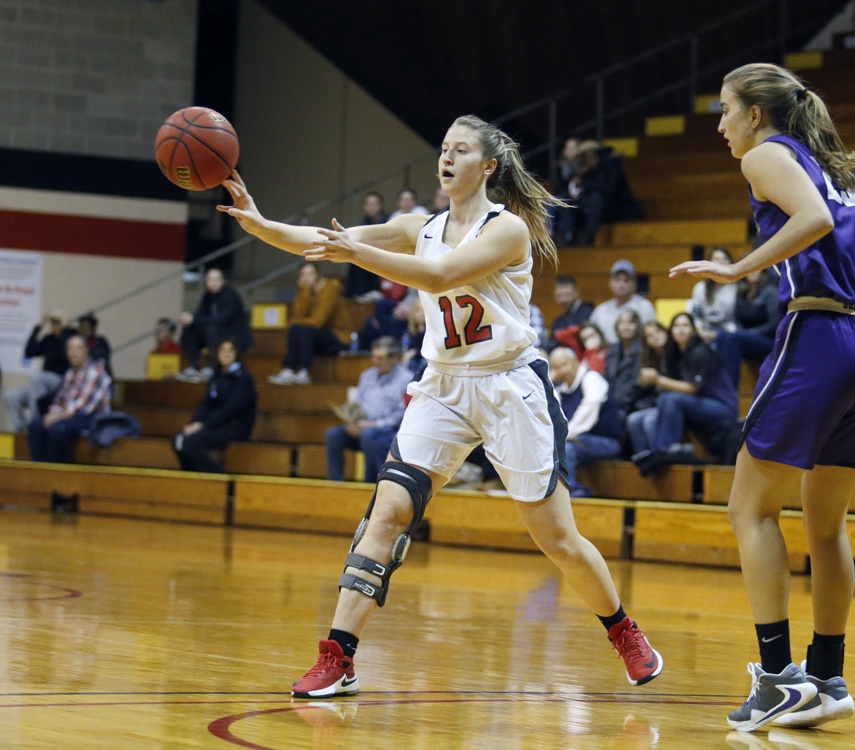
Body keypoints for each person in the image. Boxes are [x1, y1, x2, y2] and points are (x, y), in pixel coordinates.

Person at [218, 113, 662, 698]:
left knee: (556, 540)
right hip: (445, 385)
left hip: (510, 387)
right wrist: (260, 223)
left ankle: (624, 630)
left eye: (460, 150)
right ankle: (338, 655)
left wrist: (355, 253)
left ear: (488, 165)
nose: (445, 159)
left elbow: (437, 274)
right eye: (443, 149)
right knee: (386, 513)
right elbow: (322, 242)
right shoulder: (417, 225)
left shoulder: (509, 230)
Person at [670, 63, 855, 732]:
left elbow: (814, 220)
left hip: (821, 335)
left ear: (757, 115)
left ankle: (776, 681)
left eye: (725, 110)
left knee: (748, 508)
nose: (720, 125)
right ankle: (826, 675)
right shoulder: (834, 164)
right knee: (825, 525)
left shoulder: (767, 156)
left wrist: (738, 268)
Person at [628, 314, 738, 475]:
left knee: (672, 399)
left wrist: (658, 380)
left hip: (722, 408)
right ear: (671, 331)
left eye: (685, 326)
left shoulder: (700, 351)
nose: (681, 330)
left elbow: (692, 388)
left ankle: (665, 451)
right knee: (643, 414)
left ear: (693, 330)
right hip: (698, 405)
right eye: (677, 326)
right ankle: (651, 455)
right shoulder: (678, 353)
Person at [324, 336, 411, 483]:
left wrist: (373, 425)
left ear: (394, 358)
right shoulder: (367, 375)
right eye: (374, 357)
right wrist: (353, 422)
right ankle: (335, 483)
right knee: (333, 434)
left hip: (390, 431)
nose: (375, 362)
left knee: (369, 436)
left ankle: (369, 484)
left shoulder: (406, 379)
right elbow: (358, 404)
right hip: (363, 426)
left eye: (380, 358)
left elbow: (402, 415)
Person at [173, 338, 257, 473]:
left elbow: (230, 409)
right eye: (223, 350)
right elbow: (206, 403)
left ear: (237, 354)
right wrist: (194, 423)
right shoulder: (216, 376)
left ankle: (219, 479)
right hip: (215, 426)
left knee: (191, 443)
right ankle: (193, 477)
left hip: (234, 427)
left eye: (230, 350)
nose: (226, 354)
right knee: (179, 440)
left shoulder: (243, 379)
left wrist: (203, 425)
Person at [548, 347, 622, 498]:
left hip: (605, 440)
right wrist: (548, 382)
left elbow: (589, 410)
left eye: (564, 364)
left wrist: (565, 435)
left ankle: (571, 490)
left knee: (566, 448)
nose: (562, 370)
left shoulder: (591, 378)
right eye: (556, 368)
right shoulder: (560, 390)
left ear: (576, 362)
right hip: (575, 441)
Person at [27, 335, 112, 464]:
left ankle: (59, 472)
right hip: (69, 416)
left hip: (93, 419)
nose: (73, 353)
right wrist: (52, 413)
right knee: (35, 426)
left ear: (86, 351)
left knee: (58, 428)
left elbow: (84, 406)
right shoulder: (70, 373)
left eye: (78, 348)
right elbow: (59, 399)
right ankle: (40, 470)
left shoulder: (96, 371)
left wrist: (57, 416)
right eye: (70, 349)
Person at [554, 140, 644, 246]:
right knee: (564, 197)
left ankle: (589, 235)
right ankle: (567, 234)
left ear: (592, 156)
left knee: (596, 198)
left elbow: (609, 188)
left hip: (618, 206)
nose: (582, 162)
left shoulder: (611, 164)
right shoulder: (587, 170)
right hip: (592, 207)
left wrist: (584, 182)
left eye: (584, 158)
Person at [268, 262, 343, 385]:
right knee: (296, 328)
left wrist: (293, 322)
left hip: (337, 337)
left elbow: (318, 321)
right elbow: (298, 314)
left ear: (318, 275)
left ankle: (303, 371)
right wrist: (303, 292)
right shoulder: (306, 291)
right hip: (315, 336)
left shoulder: (329, 289)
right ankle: (290, 369)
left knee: (303, 328)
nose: (306, 278)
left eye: (310, 274)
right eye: (303, 275)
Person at [176, 267, 254, 383]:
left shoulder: (231, 295)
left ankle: (212, 368)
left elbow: (221, 320)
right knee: (190, 330)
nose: (214, 282)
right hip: (214, 331)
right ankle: (194, 366)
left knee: (212, 329)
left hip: (233, 334)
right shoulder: (207, 296)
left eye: (217, 279)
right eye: (211, 279)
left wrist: (195, 318)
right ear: (206, 282)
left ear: (223, 281)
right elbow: (200, 315)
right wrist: (191, 319)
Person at [3, 309, 75, 433]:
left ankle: (36, 424)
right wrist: (38, 327)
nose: (54, 326)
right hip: (43, 383)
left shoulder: (70, 338)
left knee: (37, 377)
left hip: (62, 381)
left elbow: (66, 356)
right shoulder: (49, 339)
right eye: (52, 323)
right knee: (10, 396)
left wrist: (65, 331)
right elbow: (29, 351)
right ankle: (21, 430)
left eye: (58, 323)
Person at [714, 267, 781, 387]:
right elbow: (737, 319)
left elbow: (774, 324)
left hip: (769, 341)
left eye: (756, 269)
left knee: (732, 338)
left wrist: (749, 333)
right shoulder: (741, 292)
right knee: (721, 336)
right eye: (749, 269)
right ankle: (721, 388)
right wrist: (743, 333)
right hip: (747, 339)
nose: (752, 272)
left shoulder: (770, 291)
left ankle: (730, 389)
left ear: (762, 271)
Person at [588, 259, 657, 344]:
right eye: (617, 280)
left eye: (626, 280)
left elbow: (651, 334)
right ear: (610, 283)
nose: (621, 285)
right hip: (607, 354)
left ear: (634, 283)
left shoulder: (644, 306)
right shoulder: (600, 310)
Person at [687, 247, 739, 343]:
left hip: (730, 334)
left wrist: (717, 334)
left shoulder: (737, 288)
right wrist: (700, 332)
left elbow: (740, 319)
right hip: (703, 334)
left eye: (725, 259)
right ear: (709, 262)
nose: (721, 262)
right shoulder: (700, 288)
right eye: (717, 259)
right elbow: (695, 315)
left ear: (731, 262)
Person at [543, 274, 594, 352]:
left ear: (576, 293)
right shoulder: (558, 321)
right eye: (560, 296)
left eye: (567, 295)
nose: (564, 300)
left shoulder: (589, 313)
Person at [76, 312, 112, 380]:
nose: (83, 330)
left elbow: (101, 361)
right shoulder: (76, 342)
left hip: (99, 378)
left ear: (93, 329)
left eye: (87, 327)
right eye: (82, 327)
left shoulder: (100, 342)